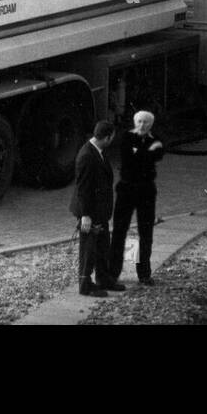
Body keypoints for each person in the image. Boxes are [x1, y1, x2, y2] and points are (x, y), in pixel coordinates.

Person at [108, 110, 165, 286]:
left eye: (145, 122)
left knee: (146, 232)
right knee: (119, 231)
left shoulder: (156, 139)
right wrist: (147, 151)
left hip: (146, 191)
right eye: (139, 121)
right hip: (126, 189)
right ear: (135, 122)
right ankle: (113, 273)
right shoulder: (126, 137)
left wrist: (139, 152)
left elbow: (158, 154)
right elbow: (130, 158)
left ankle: (144, 273)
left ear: (151, 124)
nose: (142, 125)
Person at [70, 120, 124, 297]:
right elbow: (83, 189)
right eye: (112, 137)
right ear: (107, 137)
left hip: (99, 211)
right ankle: (85, 285)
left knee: (102, 246)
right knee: (88, 250)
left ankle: (103, 278)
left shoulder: (97, 151)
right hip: (90, 212)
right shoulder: (87, 156)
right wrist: (85, 215)